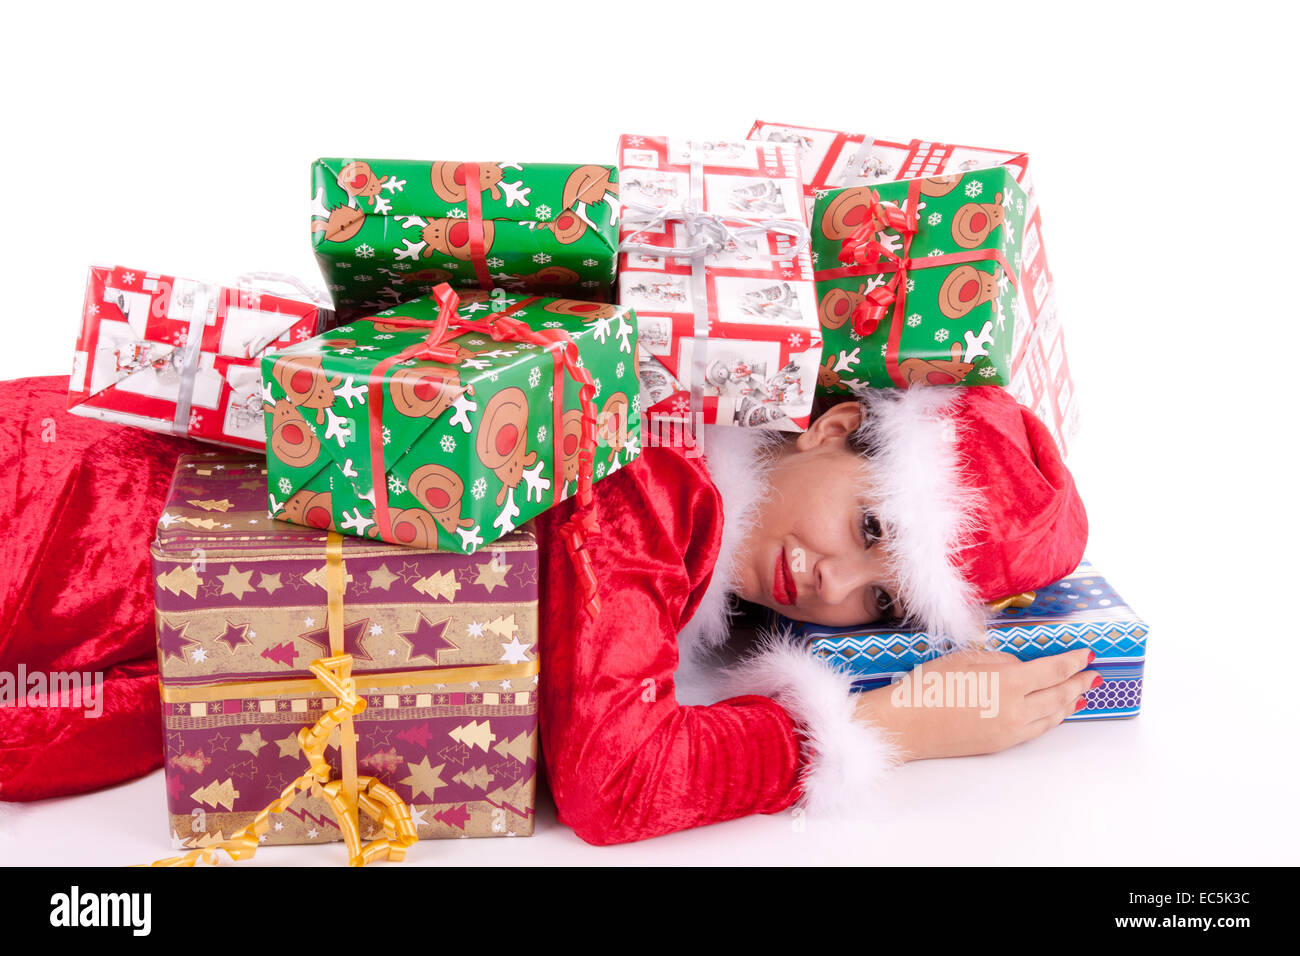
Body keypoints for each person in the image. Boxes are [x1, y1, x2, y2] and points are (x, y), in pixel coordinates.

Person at [534, 384, 1094, 846]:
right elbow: (613, 780)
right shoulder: (655, 475)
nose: (834, 585)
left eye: (882, 601)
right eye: (870, 528)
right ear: (834, 428)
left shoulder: (713, 528)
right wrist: (895, 724)